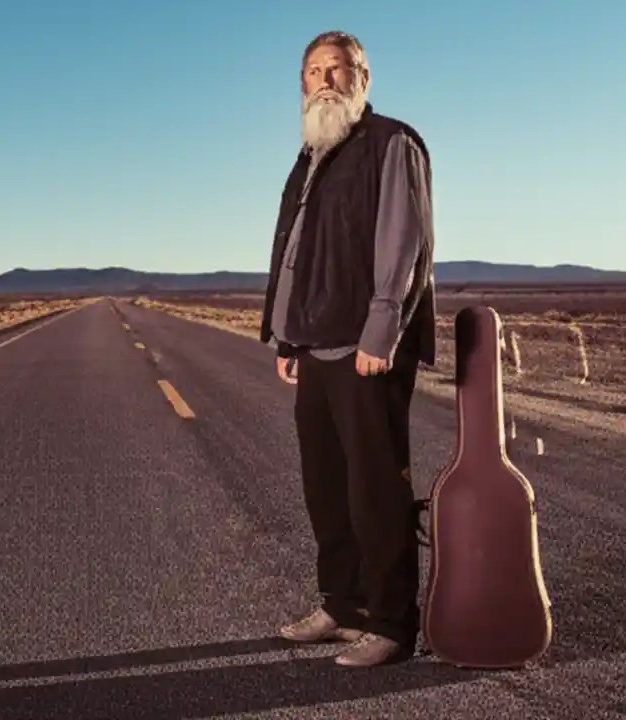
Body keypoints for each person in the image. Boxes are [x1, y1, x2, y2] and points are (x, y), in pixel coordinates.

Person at [259, 30, 437, 667]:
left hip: (367, 349)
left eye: (337, 69)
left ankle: (391, 626)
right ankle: (343, 606)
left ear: (363, 79)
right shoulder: (311, 157)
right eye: (313, 71)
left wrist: (381, 331)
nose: (324, 81)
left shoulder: (392, 143)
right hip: (316, 346)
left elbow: (404, 243)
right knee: (326, 488)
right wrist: (286, 336)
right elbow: (294, 254)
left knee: (376, 492)